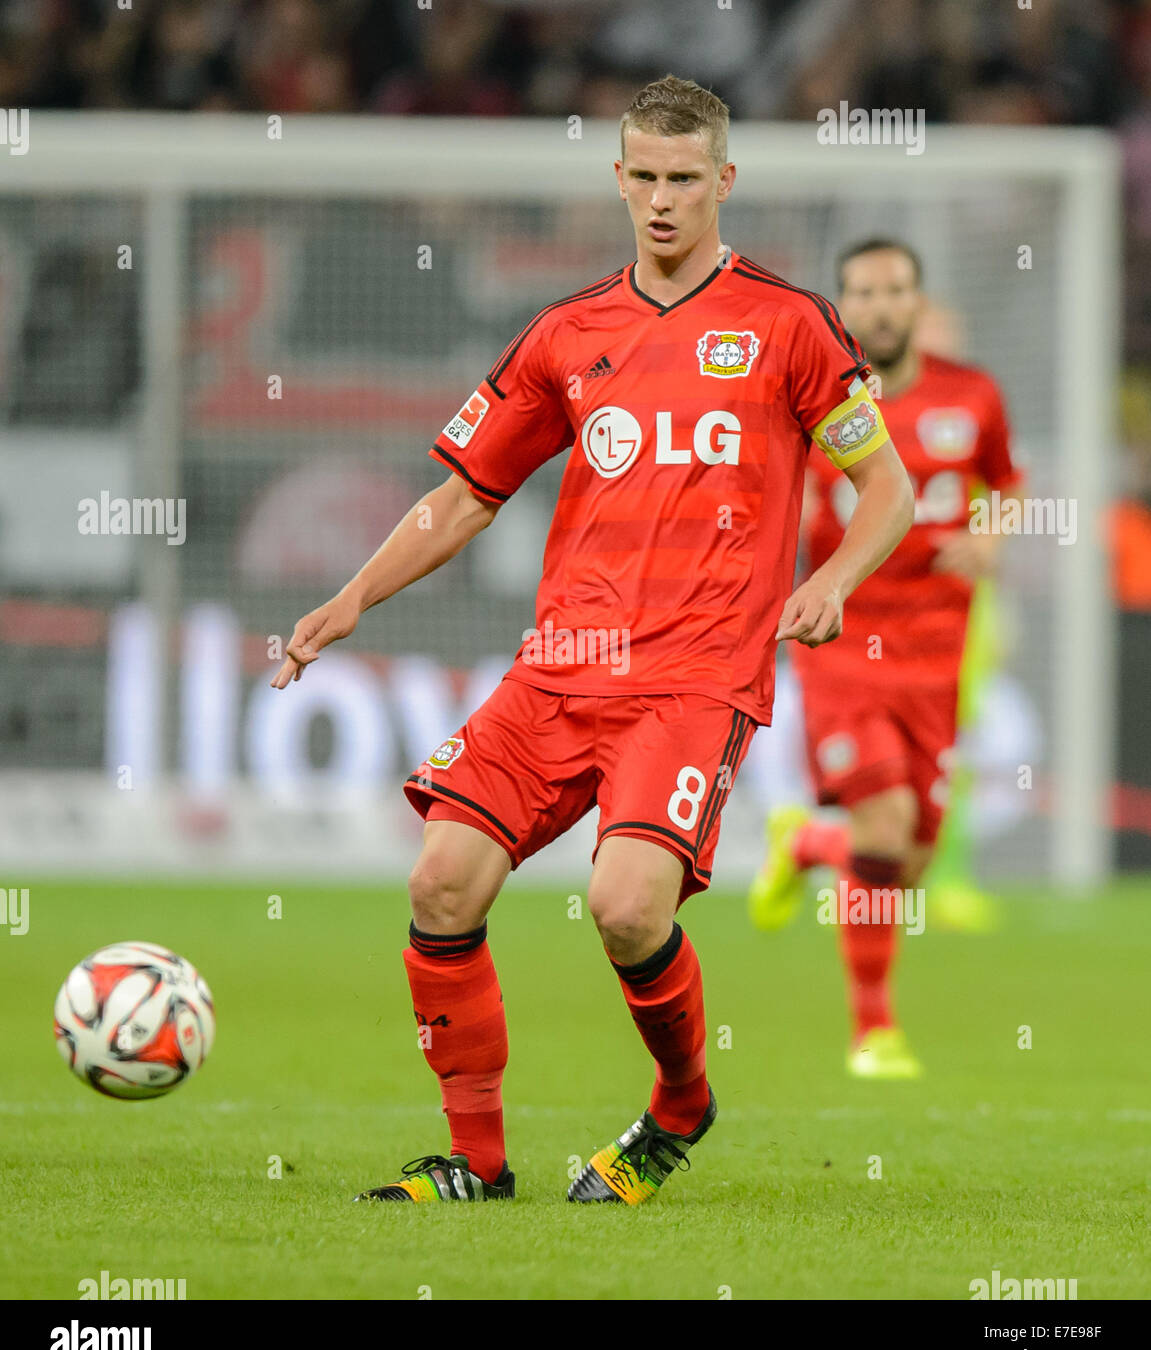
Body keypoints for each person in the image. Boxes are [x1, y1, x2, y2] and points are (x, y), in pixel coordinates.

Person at [273, 78, 913, 1203]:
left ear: (723, 182)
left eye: (684, 179)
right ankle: (476, 1164)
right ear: (616, 178)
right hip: (558, 671)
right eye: (643, 178)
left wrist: (833, 576)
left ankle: (678, 1104)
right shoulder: (568, 333)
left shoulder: (789, 324)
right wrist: (350, 599)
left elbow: (886, 490)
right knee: (441, 885)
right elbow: (465, 496)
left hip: (693, 679)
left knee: (624, 906)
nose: (662, 201)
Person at [749, 239, 1022, 1079]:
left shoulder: (970, 395)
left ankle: (803, 847)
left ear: (916, 300)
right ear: (841, 304)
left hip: (936, 655)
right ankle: (874, 1033)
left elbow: (1008, 486)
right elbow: (763, 489)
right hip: (843, 647)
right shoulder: (817, 398)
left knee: (906, 858)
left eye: (894, 289)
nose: (878, 305)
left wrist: (988, 535)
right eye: (861, 291)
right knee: (884, 826)